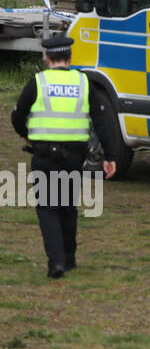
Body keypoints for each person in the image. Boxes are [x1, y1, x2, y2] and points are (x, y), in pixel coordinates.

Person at [10, 34, 121, 278]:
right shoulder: (82, 82)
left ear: (47, 57)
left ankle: (56, 261)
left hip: (44, 154)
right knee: (67, 206)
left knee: (48, 207)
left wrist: (27, 134)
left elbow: (17, 116)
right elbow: (103, 122)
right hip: (73, 156)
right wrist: (111, 155)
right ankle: (69, 258)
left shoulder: (38, 82)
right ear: (70, 57)